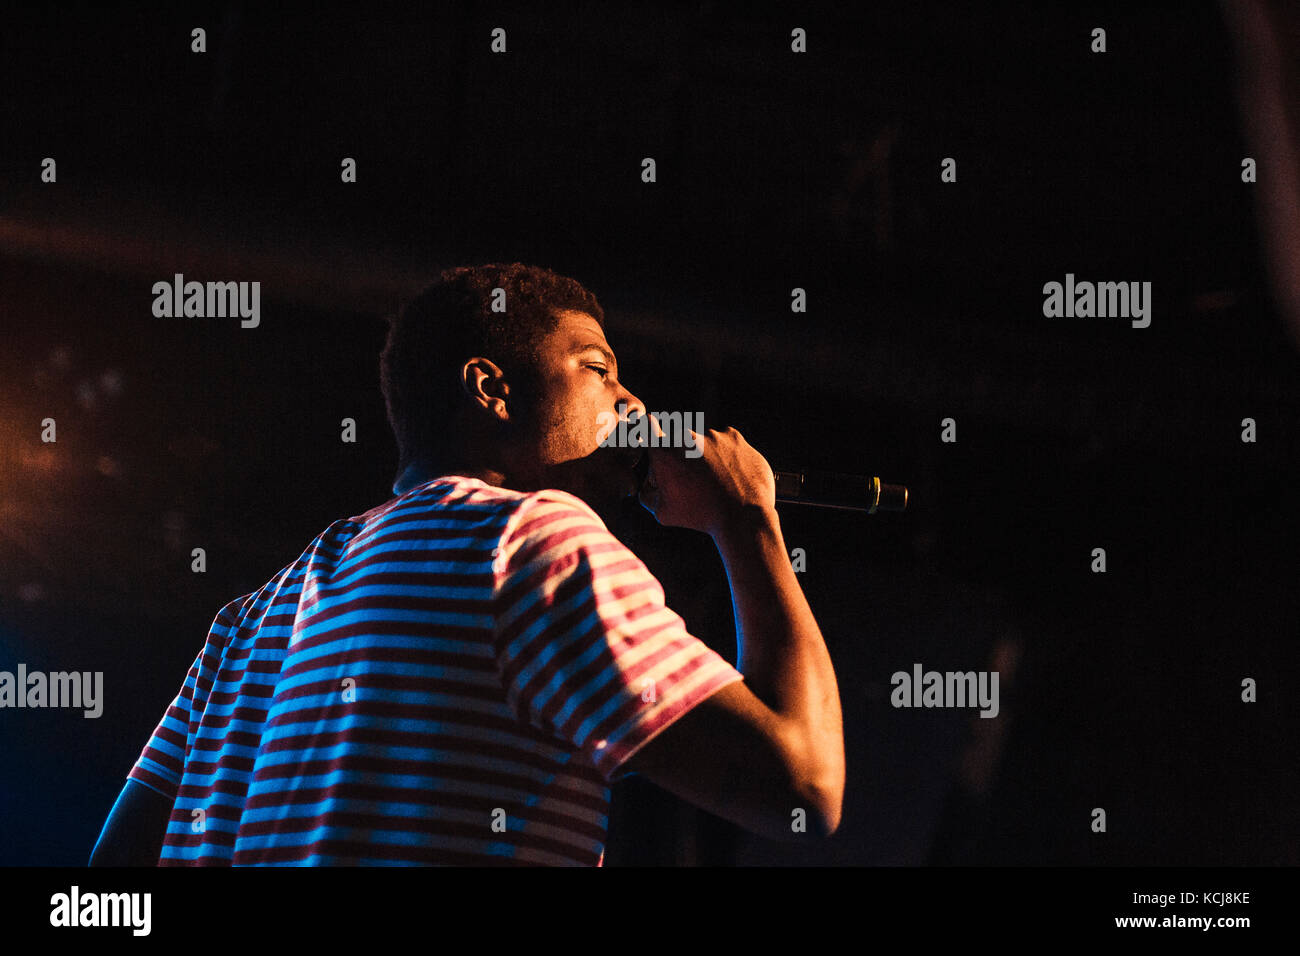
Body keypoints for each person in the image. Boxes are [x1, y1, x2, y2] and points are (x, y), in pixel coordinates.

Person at [89, 262, 844, 866]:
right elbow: (805, 788)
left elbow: (117, 869)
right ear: (492, 390)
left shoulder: (248, 619)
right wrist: (747, 520)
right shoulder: (536, 539)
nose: (631, 399)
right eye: (598, 369)